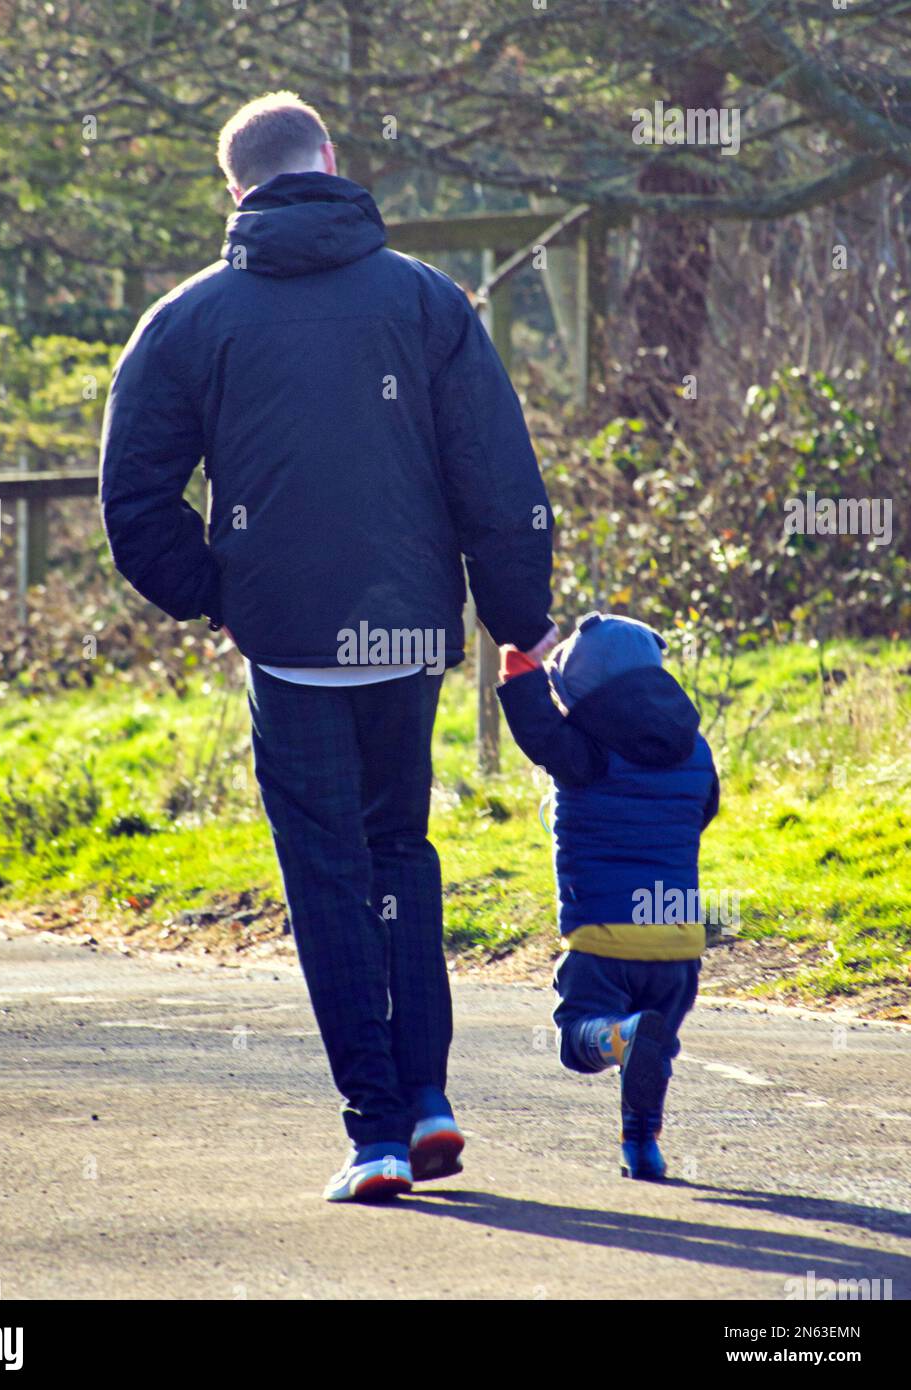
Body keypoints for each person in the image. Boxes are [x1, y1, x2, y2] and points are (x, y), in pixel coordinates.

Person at [99, 91, 557, 1202]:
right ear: (331, 161)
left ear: (236, 190)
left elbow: (135, 502)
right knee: (399, 855)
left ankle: (378, 1130)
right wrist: (520, 622)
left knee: (327, 877)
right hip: (405, 635)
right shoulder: (425, 301)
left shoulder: (188, 320)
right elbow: (495, 479)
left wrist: (221, 595)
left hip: (288, 642)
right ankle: (432, 1097)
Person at [496, 613, 719, 1180]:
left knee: (581, 1037)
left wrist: (519, 669)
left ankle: (614, 1037)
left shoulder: (584, 753)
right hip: (677, 944)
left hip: (602, 936)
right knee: (654, 1049)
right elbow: (703, 812)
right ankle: (641, 1147)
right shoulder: (694, 751)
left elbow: (536, 729)